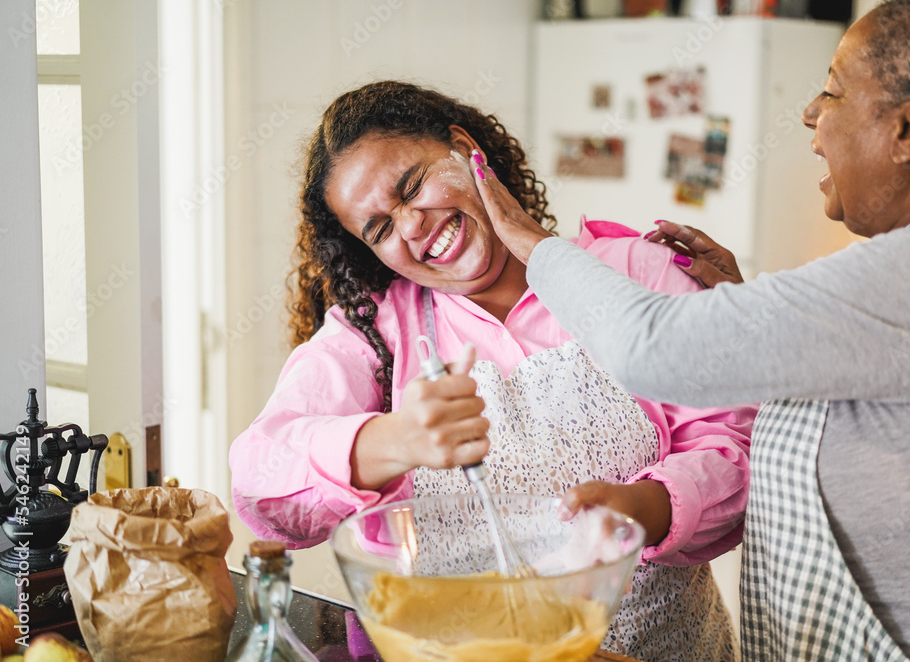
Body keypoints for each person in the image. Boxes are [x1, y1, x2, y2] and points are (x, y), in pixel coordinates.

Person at [472, 0, 910, 661]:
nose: (810, 113)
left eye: (833, 91)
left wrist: (531, 242)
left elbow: (646, 347)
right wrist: (747, 309)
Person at [229, 80, 757, 661]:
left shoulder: (637, 272)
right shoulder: (375, 337)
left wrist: (646, 509)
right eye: (379, 228)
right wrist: (395, 439)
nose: (411, 226)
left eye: (412, 187)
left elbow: (739, 444)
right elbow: (259, 480)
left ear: (463, 147)